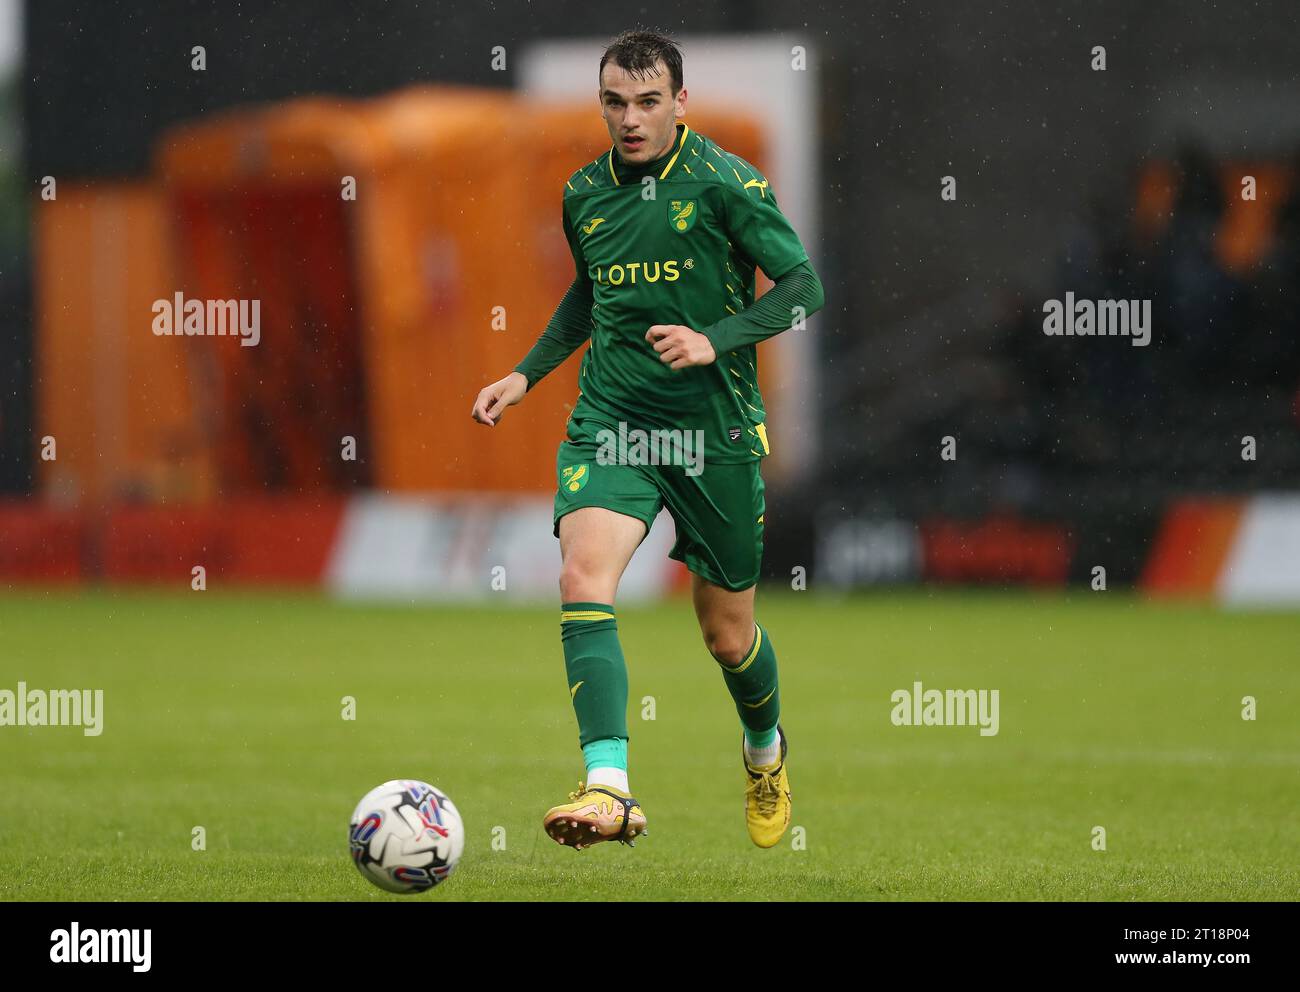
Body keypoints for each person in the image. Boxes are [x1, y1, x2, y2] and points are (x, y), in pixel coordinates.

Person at [470, 29, 824, 850]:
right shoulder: (583, 193)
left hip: (713, 434)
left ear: (680, 103)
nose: (629, 119)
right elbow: (588, 297)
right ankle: (608, 786)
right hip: (613, 425)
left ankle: (765, 753)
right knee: (581, 573)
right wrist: (527, 373)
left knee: (727, 634)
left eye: (647, 102)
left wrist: (719, 336)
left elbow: (805, 285)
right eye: (614, 103)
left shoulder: (728, 183)